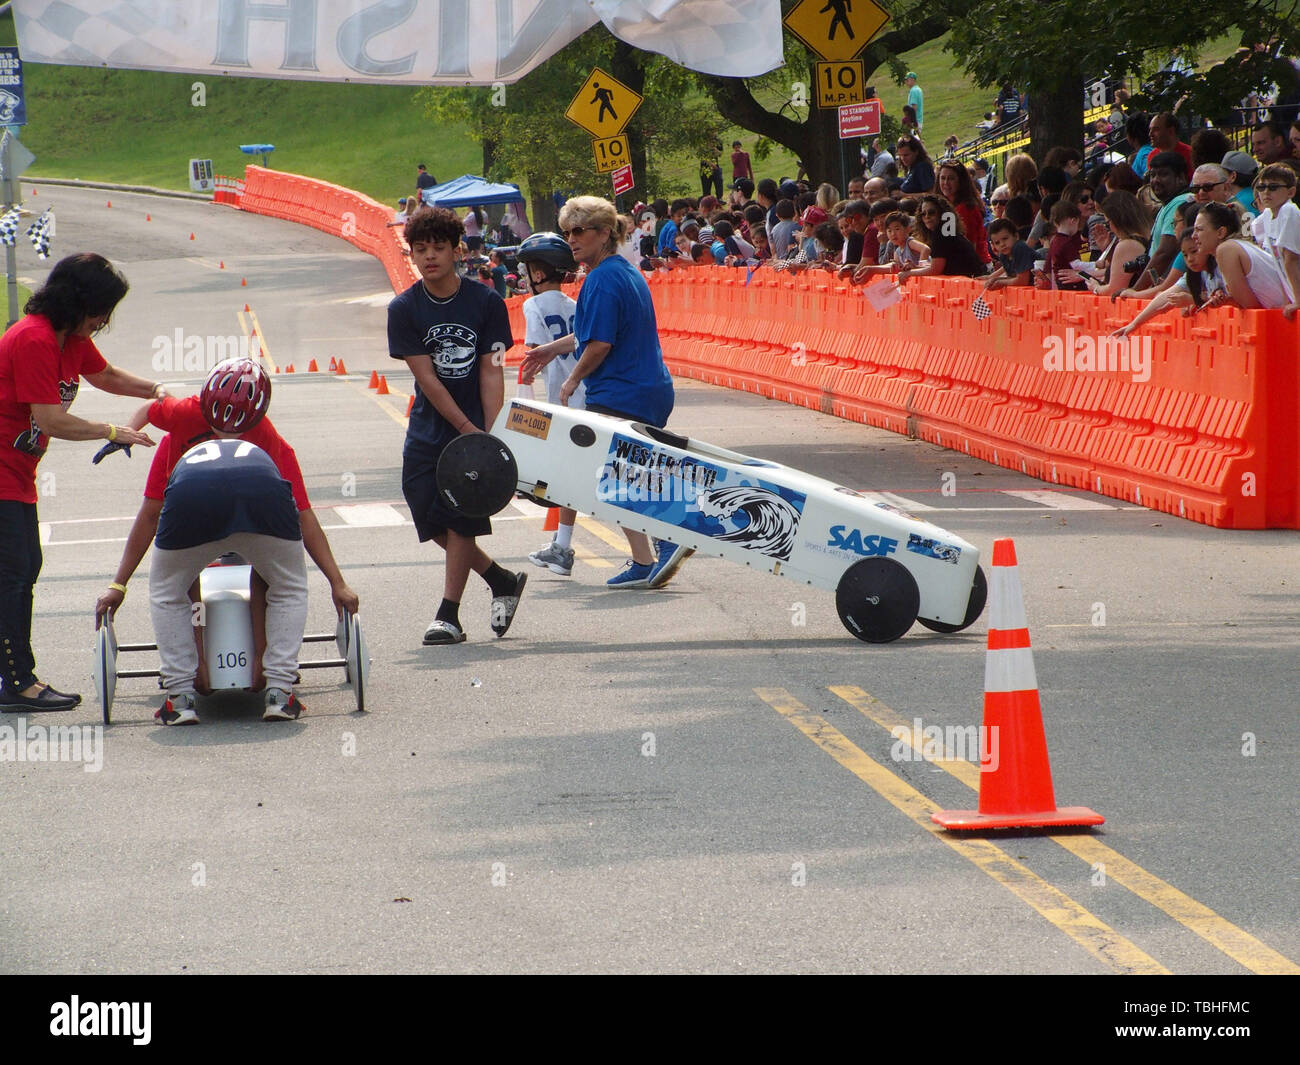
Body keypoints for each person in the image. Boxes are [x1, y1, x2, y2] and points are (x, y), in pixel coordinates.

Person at [95, 358, 359, 708]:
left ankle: (182, 689)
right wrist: (336, 582)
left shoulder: (184, 413)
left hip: (193, 503)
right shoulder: (268, 436)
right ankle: (277, 684)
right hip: (259, 508)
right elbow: (303, 516)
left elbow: (150, 514)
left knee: (172, 585)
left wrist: (118, 585)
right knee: (283, 582)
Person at [0, 253, 158, 712]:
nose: (105, 320)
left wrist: (155, 391)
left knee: (24, 569)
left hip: (17, 474)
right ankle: (17, 683)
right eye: (101, 309)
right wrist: (112, 431)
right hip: (2, 476)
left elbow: (105, 374)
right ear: (78, 302)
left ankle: (13, 677)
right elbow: (50, 418)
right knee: (13, 577)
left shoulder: (70, 338)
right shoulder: (34, 339)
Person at [518, 196, 688, 590]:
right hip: (648, 387)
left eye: (580, 231)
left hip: (621, 389)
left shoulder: (600, 279)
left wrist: (572, 379)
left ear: (605, 233)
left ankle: (663, 541)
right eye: (567, 232)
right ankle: (647, 557)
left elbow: (600, 344)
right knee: (620, 473)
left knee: (608, 473)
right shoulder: (622, 272)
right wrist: (549, 349)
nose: (572, 240)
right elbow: (591, 332)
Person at [388, 208, 527, 645]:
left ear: (457, 250)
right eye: (421, 249)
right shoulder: (404, 308)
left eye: (439, 248)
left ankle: (448, 614)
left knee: (462, 515)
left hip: (476, 427)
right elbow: (427, 379)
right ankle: (500, 578)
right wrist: (466, 427)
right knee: (426, 511)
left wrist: (487, 434)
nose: (430, 257)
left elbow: (492, 368)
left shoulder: (486, 303)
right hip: (431, 426)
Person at [515, 233, 585, 575]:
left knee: (569, 476)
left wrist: (524, 378)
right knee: (569, 476)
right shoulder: (575, 305)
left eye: (529, 269)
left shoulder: (533, 305)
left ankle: (562, 547)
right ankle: (562, 545)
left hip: (564, 398)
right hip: (586, 393)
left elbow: (534, 350)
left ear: (538, 274)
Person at [1192, 202, 1289, 309]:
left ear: (1221, 232)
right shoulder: (1234, 246)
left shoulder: (1226, 250)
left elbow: (1251, 308)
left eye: (1199, 230)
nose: (1193, 236)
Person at [1249, 163, 1300, 317]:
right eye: (1261, 187)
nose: (1265, 193)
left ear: (1291, 192)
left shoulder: (1289, 211)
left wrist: (1298, 301)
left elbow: (1291, 259)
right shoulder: (1266, 217)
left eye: (1273, 187)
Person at [898, 195, 987, 281]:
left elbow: (935, 270)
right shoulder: (946, 232)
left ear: (942, 214)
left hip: (971, 284)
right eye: (923, 214)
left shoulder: (942, 234)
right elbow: (939, 266)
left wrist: (908, 273)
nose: (927, 216)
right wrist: (916, 268)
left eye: (931, 212)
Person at [936, 160, 990, 264]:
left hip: (974, 266)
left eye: (951, 178)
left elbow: (970, 247)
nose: (946, 183)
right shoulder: (944, 207)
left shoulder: (966, 208)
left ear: (961, 181)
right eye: (942, 178)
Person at [983, 219, 1036, 289]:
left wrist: (1000, 282)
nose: (1002, 244)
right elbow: (1012, 278)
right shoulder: (1003, 255)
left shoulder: (1020, 248)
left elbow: (1022, 281)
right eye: (997, 243)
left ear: (1016, 236)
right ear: (992, 244)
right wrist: (993, 279)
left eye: (1005, 239)